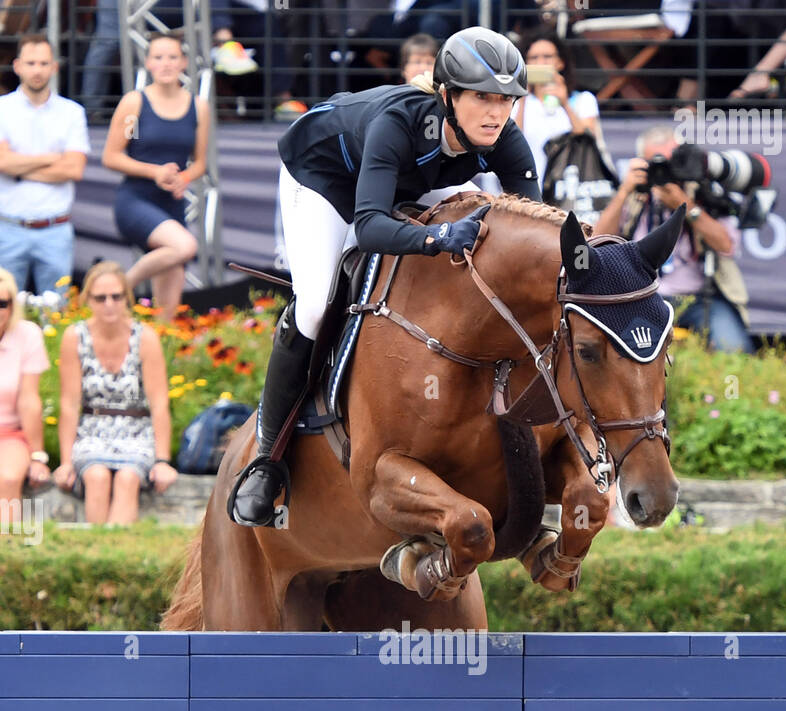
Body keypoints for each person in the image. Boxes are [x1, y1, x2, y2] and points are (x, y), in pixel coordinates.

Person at [228, 25, 541, 529]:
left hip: (401, 178)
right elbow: (371, 224)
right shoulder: (400, 122)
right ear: (447, 96)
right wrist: (436, 241)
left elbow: (533, 230)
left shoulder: (506, 140)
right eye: (482, 98)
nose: (496, 113)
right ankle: (267, 459)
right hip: (326, 177)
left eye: (507, 100)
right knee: (314, 302)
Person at [593, 124, 753, 355]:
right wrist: (624, 191)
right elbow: (599, 241)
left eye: (669, 165)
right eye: (656, 165)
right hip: (641, 297)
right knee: (621, 353)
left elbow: (726, 245)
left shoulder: (702, 192)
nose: (664, 174)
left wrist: (686, 206)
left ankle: (726, 391)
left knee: (734, 349)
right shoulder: (634, 197)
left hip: (697, 299)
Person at [53, 260, 176, 525]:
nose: (109, 304)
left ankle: (113, 553)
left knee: (127, 478)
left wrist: (163, 460)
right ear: (88, 300)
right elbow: (68, 404)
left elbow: (159, 404)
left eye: (116, 296)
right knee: (96, 476)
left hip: (136, 430)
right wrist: (64, 462)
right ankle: (99, 558)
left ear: (126, 299)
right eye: (100, 298)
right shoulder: (75, 336)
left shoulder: (145, 337)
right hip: (92, 430)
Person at [102, 32, 210, 319]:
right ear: (148, 63)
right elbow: (112, 156)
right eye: (158, 57)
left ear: (184, 62)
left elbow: (200, 163)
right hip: (135, 200)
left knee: (168, 311)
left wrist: (183, 178)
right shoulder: (135, 103)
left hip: (172, 204)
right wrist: (155, 172)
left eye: (172, 57)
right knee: (185, 245)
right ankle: (123, 285)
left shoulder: (198, 106)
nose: (165, 64)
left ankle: (162, 351)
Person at [0, 33, 89, 297]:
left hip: (55, 228)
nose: (37, 70)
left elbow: (73, 170)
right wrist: (52, 158)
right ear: (17, 66)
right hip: (8, 227)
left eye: (43, 63)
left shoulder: (72, 112)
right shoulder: (1, 109)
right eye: (30, 63)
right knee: (3, 316)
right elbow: (3, 162)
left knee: (56, 314)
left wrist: (20, 166)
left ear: (54, 66)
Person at [514, 29, 603, 190]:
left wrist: (565, 104)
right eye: (533, 58)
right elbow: (511, 141)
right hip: (528, 191)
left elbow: (587, 141)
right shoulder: (517, 103)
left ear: (561, 62)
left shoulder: (583, 99)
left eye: (547, 57)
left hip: (569, 191)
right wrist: (522, 95)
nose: (541, 62)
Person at [0, 263, 50, 523]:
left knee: (8, 477)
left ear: (11, 306)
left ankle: (5, 555)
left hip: (9, 434)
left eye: (2, 303)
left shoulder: (27, 334)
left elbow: (29, 400)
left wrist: (37, 456)